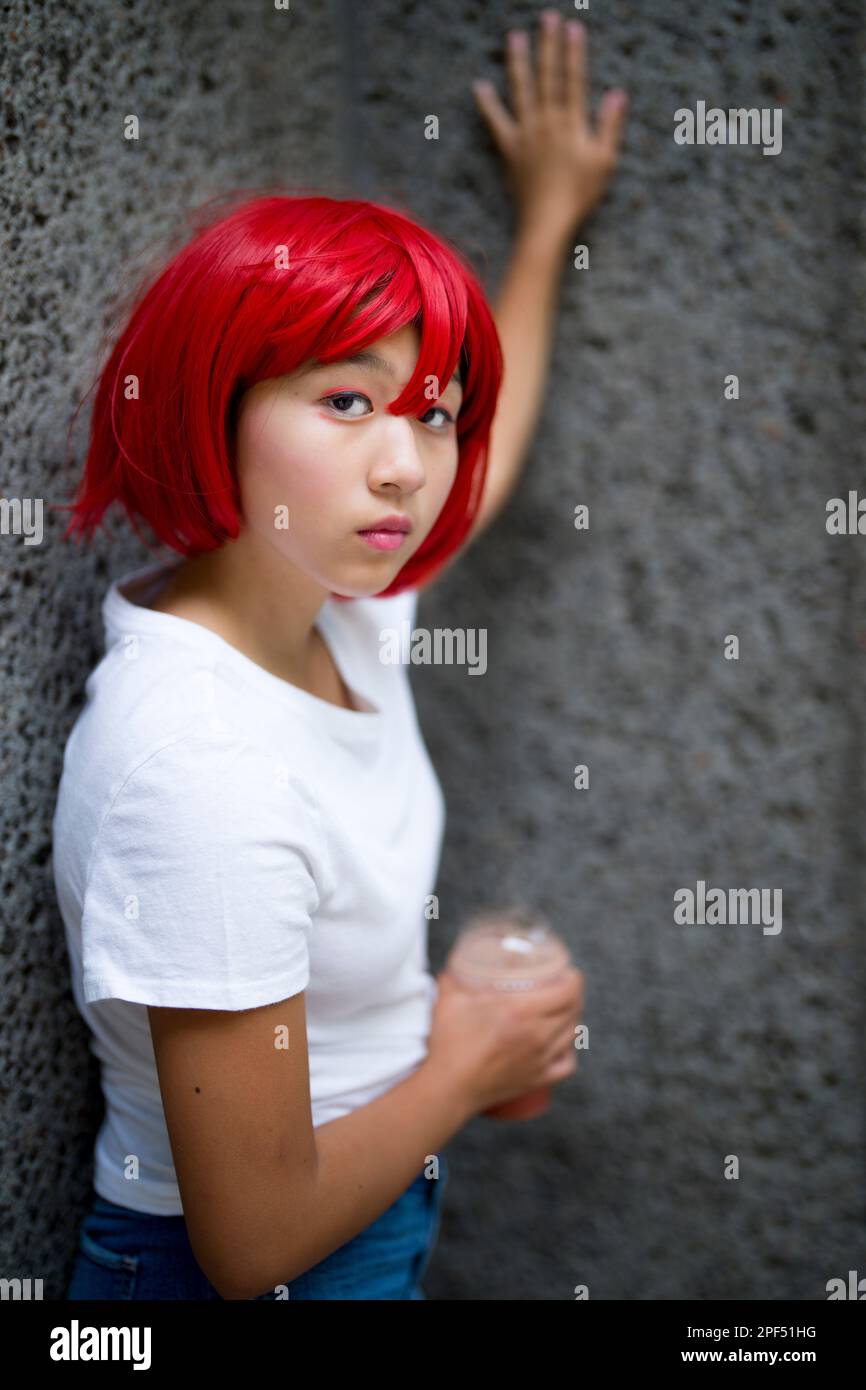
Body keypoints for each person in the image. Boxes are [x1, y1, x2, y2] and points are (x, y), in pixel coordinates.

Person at [53, 11, 626, 1300]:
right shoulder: (197, 764)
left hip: (373, 1225)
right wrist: (465, 1061)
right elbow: (248, 1245)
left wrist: (545, 223)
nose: (406, 465)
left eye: (432, 414)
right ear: (216, 401)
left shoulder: (331, 595)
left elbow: (488, 438)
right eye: (347, 400)